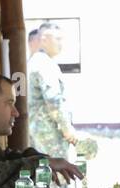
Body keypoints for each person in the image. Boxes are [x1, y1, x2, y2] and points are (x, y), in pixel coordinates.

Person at [27, 22, 78, 161]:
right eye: (57, 39)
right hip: (50, 134)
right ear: (44, 39)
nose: (61, 43)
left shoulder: (34, 61)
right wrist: (67, 130)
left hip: (36, 132)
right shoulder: (44, 64)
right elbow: (54, 101)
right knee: (58, 177)